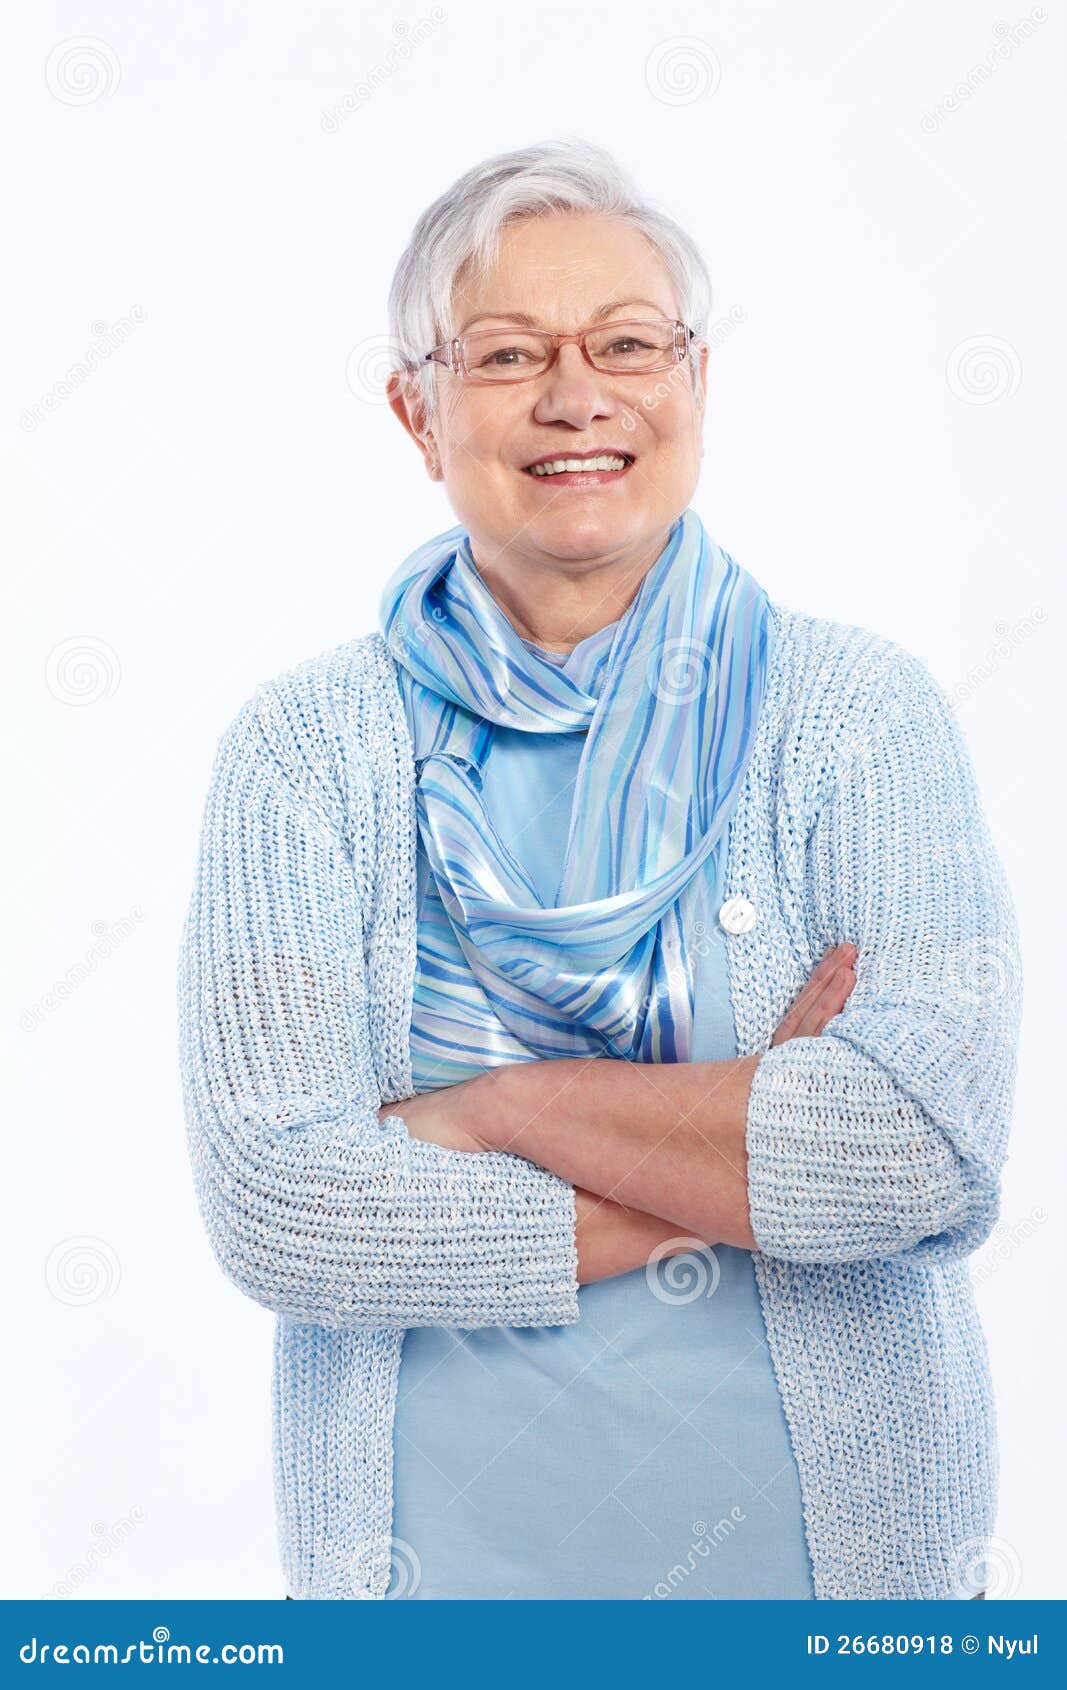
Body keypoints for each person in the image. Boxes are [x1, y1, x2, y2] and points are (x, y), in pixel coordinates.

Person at [177, 139, 1021, 1601]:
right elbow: (283, 1201)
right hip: (426, 1599)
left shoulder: (855, 716)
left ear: (694, 384)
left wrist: (493, 1110)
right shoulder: (308, 752)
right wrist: (734, 1152)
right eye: (507, 353)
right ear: (415, 409)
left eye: (629, 343)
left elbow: (921, 1148)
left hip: (836, 1597)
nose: (579, 395)